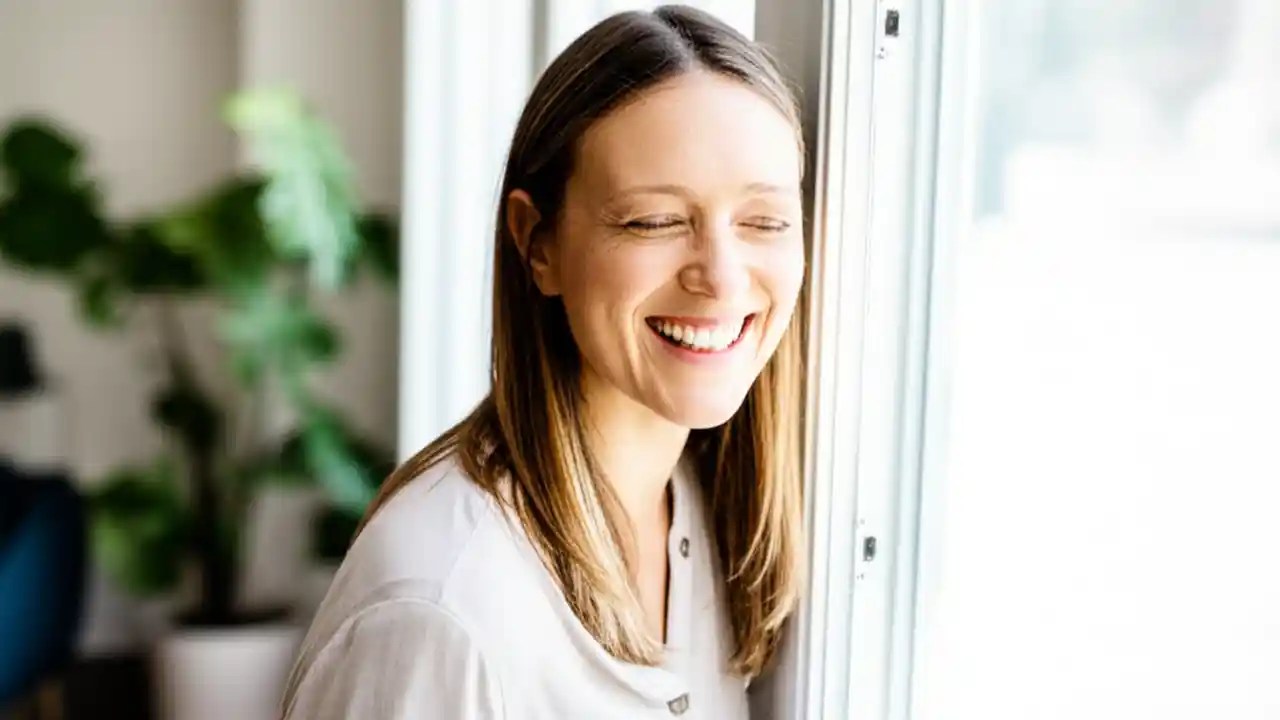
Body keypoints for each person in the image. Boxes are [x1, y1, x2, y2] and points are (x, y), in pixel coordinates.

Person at [281, 5, 806, 718]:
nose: (722, 277)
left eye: (763, 223)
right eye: (654, 221)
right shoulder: (442, 613)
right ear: (538, 243)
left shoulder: (708, 522)